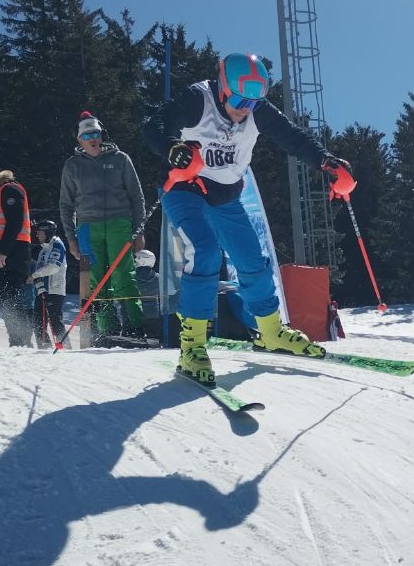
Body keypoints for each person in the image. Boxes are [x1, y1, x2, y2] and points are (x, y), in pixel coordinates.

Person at [142, 52, 353, 386]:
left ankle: (270, 332)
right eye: (239, 100)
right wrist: (172, 148)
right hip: (185, 189)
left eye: (253, 102)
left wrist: (326, 162)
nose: (245, 109)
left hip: (226, 196)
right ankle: (192, 346)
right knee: (205, 251)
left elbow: (292, 137)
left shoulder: (257, 110)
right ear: (223, 88)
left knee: (253, 260)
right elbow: (153, 125)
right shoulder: (198, 99)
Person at [58, 111, 147, 344]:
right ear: (79, 140)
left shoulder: (120, 159)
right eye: (87, 136)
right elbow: (66, 204)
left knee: (123, 275)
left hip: (119, 223)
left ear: (102, 135)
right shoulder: (72, 165)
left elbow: (137, 197)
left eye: (95, 134)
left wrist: (139, 231)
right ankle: (107, 329)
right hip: (88, 228)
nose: (92, 139)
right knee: (96, 280)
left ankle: (135, 326)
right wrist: (71, 239)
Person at [0, 159, 34, 346]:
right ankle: (18, 339)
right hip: (7, 250)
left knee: (9, 297)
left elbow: (15, 222)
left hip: (11, 252)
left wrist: (2, 251)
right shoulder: (0, 191)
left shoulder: (10, 189)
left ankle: (20, 340)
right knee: (5, 297)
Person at [29, 218, 68, 348]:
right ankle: (44, 348)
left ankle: (65, 348)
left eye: (39, 232)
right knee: (38, 323)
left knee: (56, 322)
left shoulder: (57, 245)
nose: (36, 235)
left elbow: (53, 266)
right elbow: (40, 269)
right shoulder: (44, 249)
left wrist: (34, 275)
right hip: (42, 290)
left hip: (54, 290)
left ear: (48, 233)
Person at [133, 248, 161, 334]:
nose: (135, 260)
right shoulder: (159, 277)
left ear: (143, 261)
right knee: (153, 336)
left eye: (137, 258)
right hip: (153, 314)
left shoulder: (131, 277)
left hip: (135, 313)